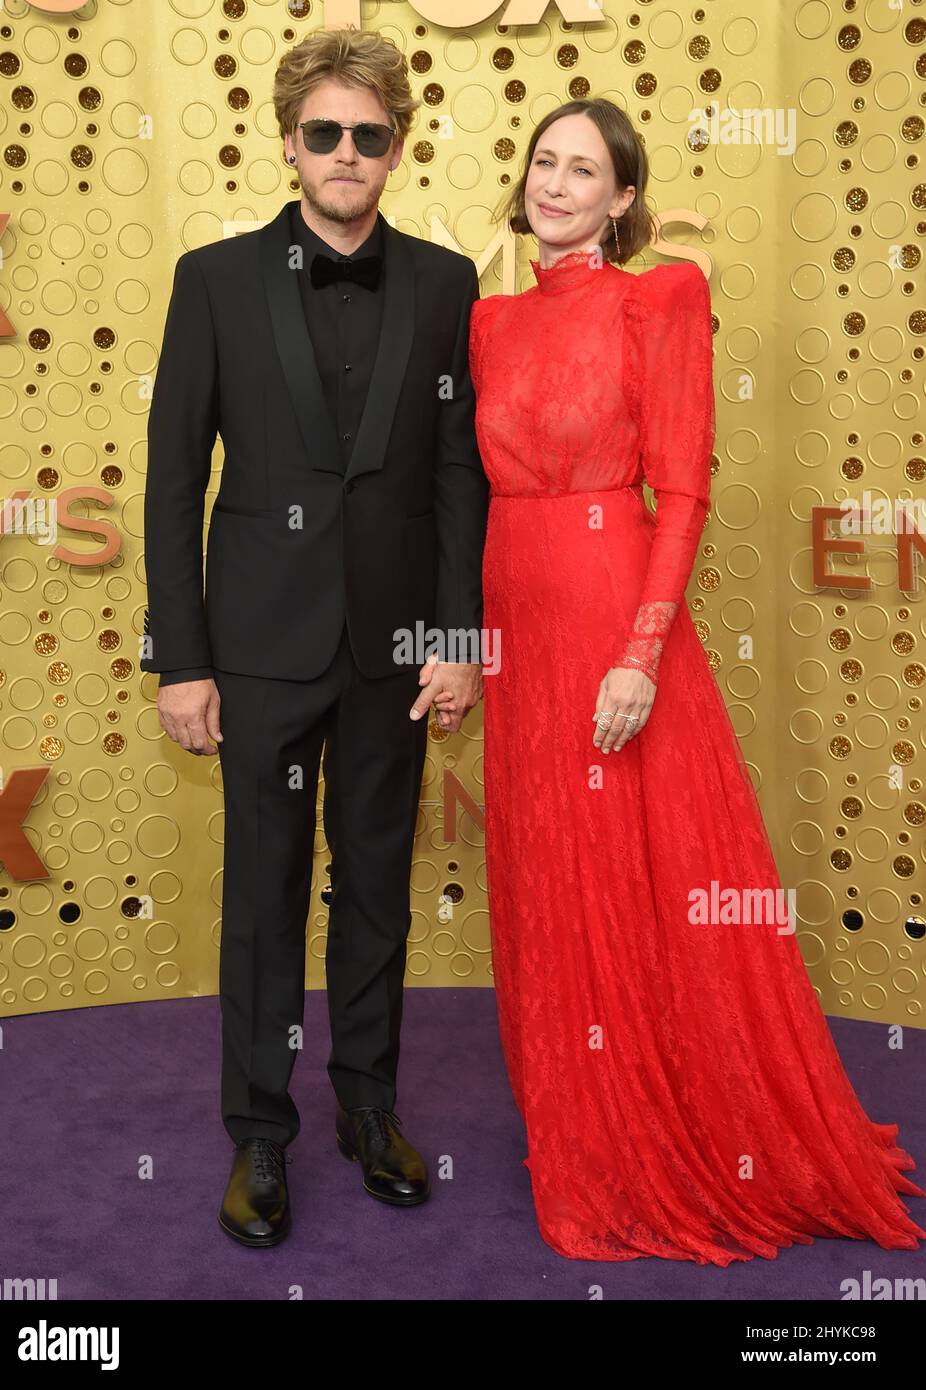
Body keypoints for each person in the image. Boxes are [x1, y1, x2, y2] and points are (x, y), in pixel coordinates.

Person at [457, 96, 926, 1264]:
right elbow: (465, 501)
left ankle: (684, 1126)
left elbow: (686, 487)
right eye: (543, 162)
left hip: (614, 608)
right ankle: (584, 1128)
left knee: (650, 875)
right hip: (518, 612)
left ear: (624, 199)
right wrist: (460, 642)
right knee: (557, 879)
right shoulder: (484, 320)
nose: (556, 183)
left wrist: (640, 648)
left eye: (585, 170)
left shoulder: (661, 296)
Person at [140, 28, 488, 1247]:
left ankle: (369, 1106)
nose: (347, 153)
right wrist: (179, 658)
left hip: (395, 658)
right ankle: (258, 1131)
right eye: (326, 133)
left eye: (370, 134)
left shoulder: (448, 285)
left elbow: (459, 480)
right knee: (262, 898)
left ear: (397, 146)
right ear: (290, 141)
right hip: (256, 651)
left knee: (379, 892)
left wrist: (458, 641)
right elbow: (173, 475)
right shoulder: (214, 278)